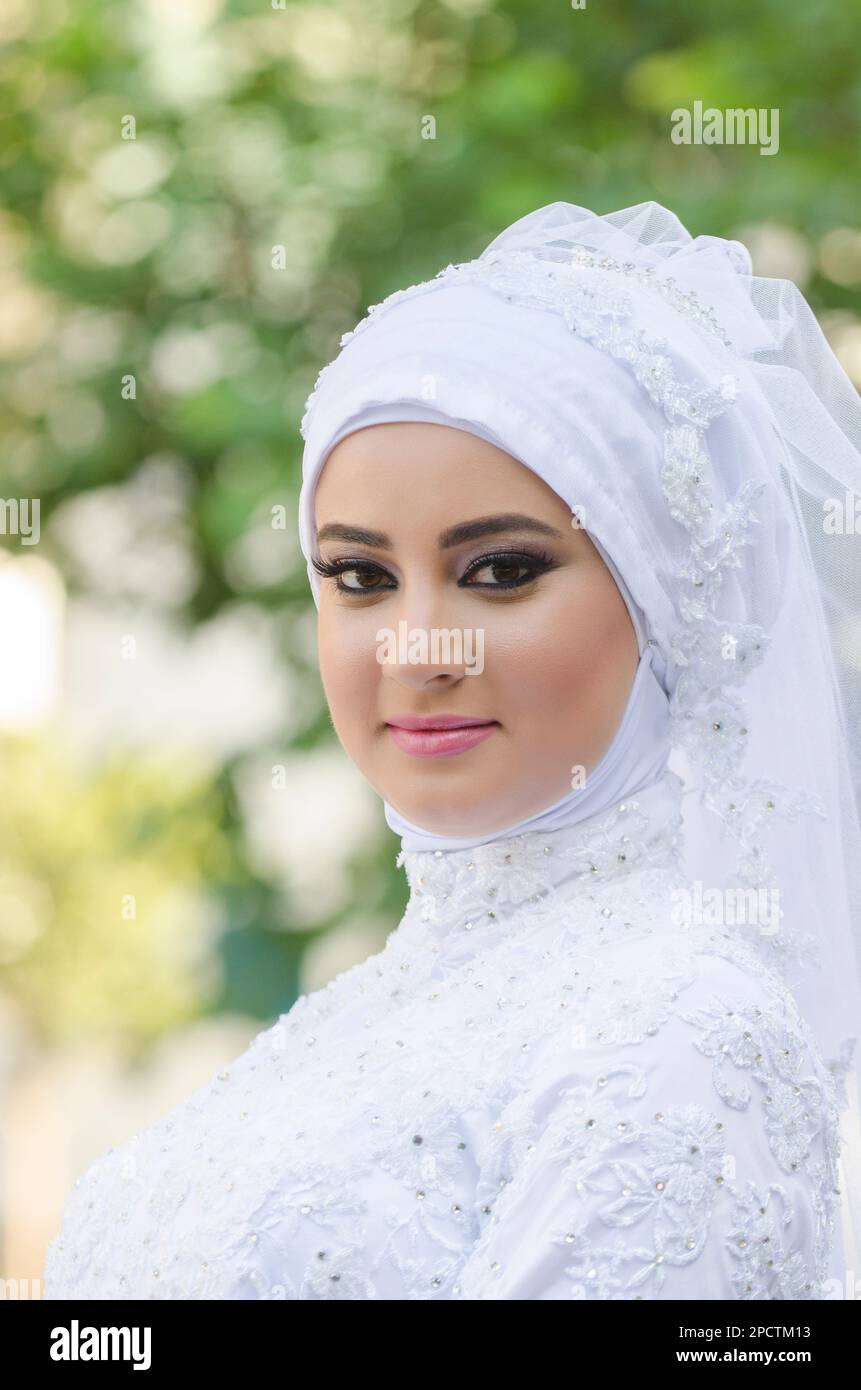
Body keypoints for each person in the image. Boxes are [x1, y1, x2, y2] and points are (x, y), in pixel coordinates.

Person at [43, 199, 861, 1300]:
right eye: (361, 578)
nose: (416, 650)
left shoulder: (684, 1031)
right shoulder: (364, 1009)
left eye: (502, 571)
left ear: (667, 593)